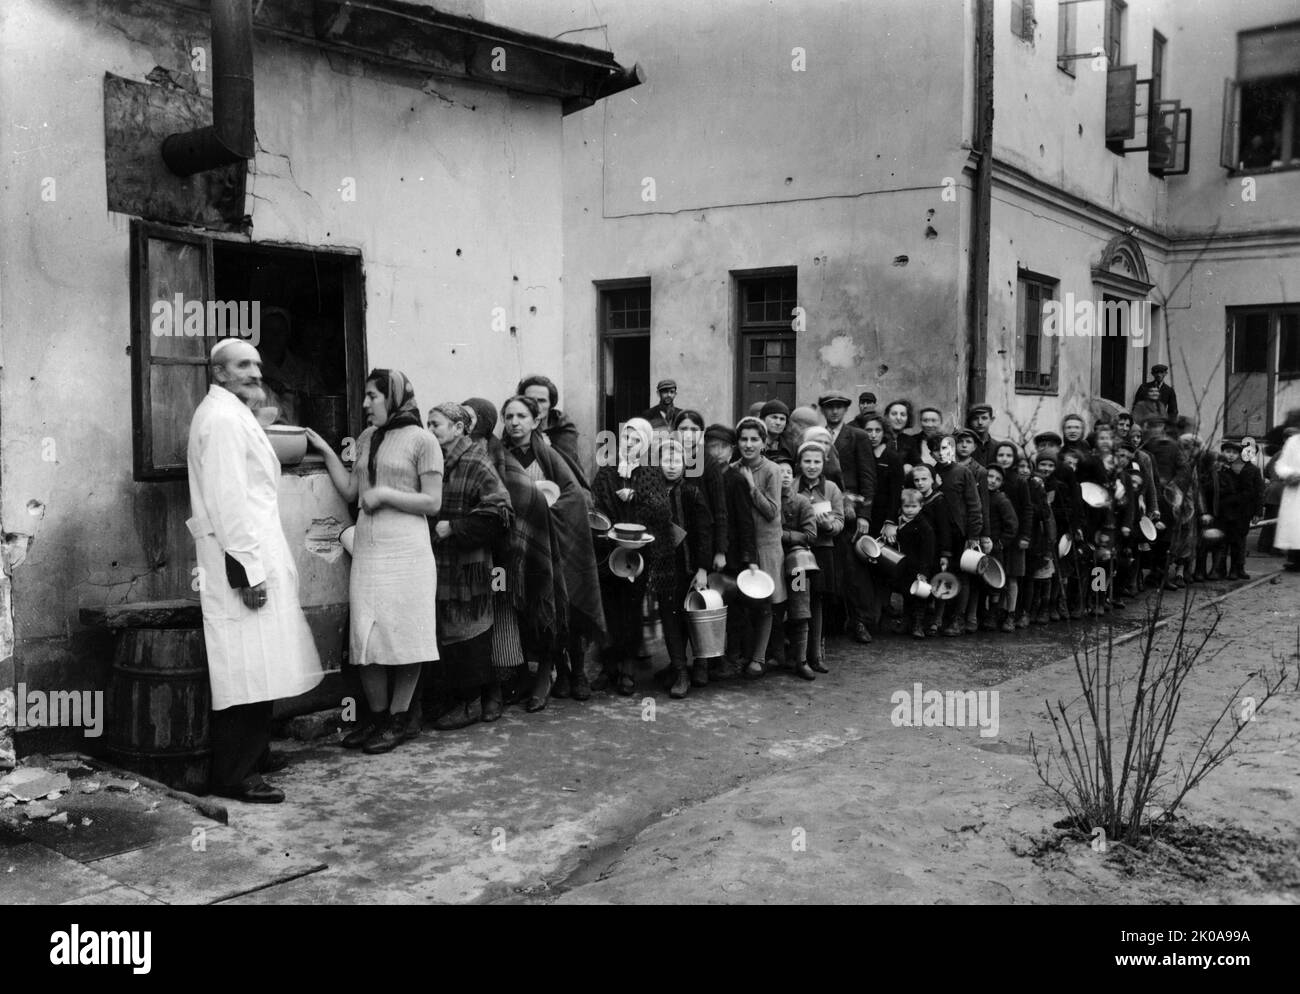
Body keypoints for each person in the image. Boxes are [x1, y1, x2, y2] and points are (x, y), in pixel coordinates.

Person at [188, 340, 324, 803]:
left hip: (253, 551)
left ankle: (255, 757)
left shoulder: (234, 413)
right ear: (219, 372)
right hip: (239, 557)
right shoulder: (222, 419)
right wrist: (246, 569)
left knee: (261, 659)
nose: (254, 372)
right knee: (245, 664)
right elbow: (229, 501)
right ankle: (234, 774)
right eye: (243, 365)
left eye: (257, 365)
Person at [307, 368, 441, 755]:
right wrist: (327, 450)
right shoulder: (366, 438)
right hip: (369, 544)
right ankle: (377, 717)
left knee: (406, 632)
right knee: (366, 632)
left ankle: (399, 720)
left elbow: (432, 502)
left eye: (373, 396)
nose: (365, 404)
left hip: (407, 548)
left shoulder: (424, 440)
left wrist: (385, 495)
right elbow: (352, 489)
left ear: (394, 397)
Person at [501, 395, 605, 709]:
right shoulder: (500, 456)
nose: (515, 423)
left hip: (551, 544)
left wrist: (544, 513)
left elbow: (573, 496)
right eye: (509, 417)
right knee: (527, 610)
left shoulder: (547, 455)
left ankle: (569, 674)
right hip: (516, 546)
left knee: (561, 605)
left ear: (535, 421)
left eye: (521, 416)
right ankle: (546, 672)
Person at [424, 402, 515, 728]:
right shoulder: (435, 461)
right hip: (441, 561)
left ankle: (473, 703)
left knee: (468, 631)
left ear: (459, 428)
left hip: (468, 564)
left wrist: (456, 528)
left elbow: (500, 511)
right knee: (450, 631)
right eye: (429, 424)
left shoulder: (476, 461)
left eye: (436, 424)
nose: (430, 430)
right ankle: (471, 698)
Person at [593, 418, 670, 695]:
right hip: (609, 549)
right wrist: (605, 525)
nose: (629, 444)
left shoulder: (650, 472)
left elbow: (660, 509)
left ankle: (627, 668)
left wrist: (635, 497)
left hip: (638, 551)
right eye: (626, 438)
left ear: (645, 444)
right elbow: (597, 504)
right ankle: (608, 667)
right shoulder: (607, 471)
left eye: (636, 440)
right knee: (610, 608)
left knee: (631, 609)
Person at [657, 438, 713, 697]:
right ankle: (679, 670)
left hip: (688, 565)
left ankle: (696, 663)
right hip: (664, 566)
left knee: (689, 614)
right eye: (666, 460)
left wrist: (702, 568)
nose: (671, 466)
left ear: (684, 464)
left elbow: (704, 532)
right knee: (669, 617)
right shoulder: (653, 492)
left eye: (676, 461)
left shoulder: (692, 492)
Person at [819, 391, 877, 644]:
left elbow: (868, 477)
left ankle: (860, 622)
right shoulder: (817, 435)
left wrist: (864, 514)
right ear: (823, 410)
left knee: (853, 570)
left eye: (839, 407)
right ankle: (832, 622)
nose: (834, 412)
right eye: (829, 407)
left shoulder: (858, 436)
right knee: (829, 566)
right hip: (824, 507)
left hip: (852, 510)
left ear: (845, 409)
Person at [733, 417, 784, 679]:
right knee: (742, 601)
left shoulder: (772, 470)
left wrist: (751, 486)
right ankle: (742, 652)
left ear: (764, 443)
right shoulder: (732, 469)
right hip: (743, 545)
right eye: (744, 439)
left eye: (754, 440)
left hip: (766, 545)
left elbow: (772, 512)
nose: (749, 444)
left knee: (764, 601)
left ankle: (759, 657)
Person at [796, 440, 844, 672]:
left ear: (824, 463)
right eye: (807, 461)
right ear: (800, 463)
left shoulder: (832, 489)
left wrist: (829, 526)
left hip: (822, 552)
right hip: (797, 555)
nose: (812, 466)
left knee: (817, 601)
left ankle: (816, 654)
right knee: (798, 599)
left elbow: (840, 522)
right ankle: (797, 655)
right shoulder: (793, 486)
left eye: (816, 461)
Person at [774, 458, 817, 680]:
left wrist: (784, 535)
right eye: (780, 471)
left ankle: (801, 660)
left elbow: (810, 535)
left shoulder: (801, 502)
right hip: (772, 563)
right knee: (773, 609)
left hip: (797, 565)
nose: (785, 475)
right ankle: (777, 656)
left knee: (799, 608)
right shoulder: (768, 500)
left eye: (789, 471)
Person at [993, 442, 1033, 628]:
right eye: (1001, 455)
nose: (1004, 459)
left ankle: (1011, 613)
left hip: (1016, 537)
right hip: (997, 535)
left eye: (1009, 456)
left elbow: (1027, 510)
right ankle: (996, 612)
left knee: (1012, 577)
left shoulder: (1019, 481)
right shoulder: (992, 478)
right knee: (996, 575)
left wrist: (1025, 535)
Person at [1213, 438, 1264, 580]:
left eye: (1252, 452)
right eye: (1246, 451)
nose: (1248, 454)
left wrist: (1258, 512)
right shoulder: (1224, 468)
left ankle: (1237, 569)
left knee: (1239, 541)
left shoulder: (1253, 470)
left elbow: (1259, 492)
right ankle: (1220, 569)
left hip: (1243, 512)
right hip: (1224, 511)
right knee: (1222, 541)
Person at [894, 488, 936, 640]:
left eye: (913, 507)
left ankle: (918, 624)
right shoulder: (899, 522)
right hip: (906, 566)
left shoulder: (924, 526)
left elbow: (928, 551)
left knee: (919, 596)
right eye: (907, 506)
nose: (910, 510)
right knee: (907, 594)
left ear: (921, 506)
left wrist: (924, 571)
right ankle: (906, 621)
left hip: (919, 567)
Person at [517, 374, 582, 469]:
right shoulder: (515, 426)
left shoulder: (563, 429)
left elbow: (568, 469)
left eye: (542, 401)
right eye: (529, 400)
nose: (535, 405)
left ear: (551, 404)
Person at [1271, 410, 1300, 571]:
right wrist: (1288, 474)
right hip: (1294, 490)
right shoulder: (1293, 442)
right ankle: (1296, 560)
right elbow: (1280, 464)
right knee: (1295, 526)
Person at [966, 403, 1000, 468]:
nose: (980, 422)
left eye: (984, 418)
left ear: (991, 420)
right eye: (975, 418)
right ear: (970, 421)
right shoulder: (964, 446)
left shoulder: (998, 447)